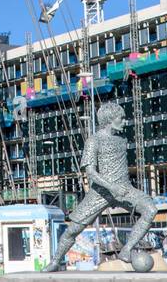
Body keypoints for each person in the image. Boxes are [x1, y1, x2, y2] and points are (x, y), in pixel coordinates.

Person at [44, 102, 157, 272]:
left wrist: (119, 188)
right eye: (121, 118)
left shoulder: (121, 140)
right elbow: (90, 173)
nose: (124, 121)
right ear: (110, 120)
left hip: (124, 189)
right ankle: (55, 261)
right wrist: (111, 187)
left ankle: (126, 250)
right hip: (100, 192)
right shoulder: (94, 140)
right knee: (73, 230)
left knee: (150, 209)